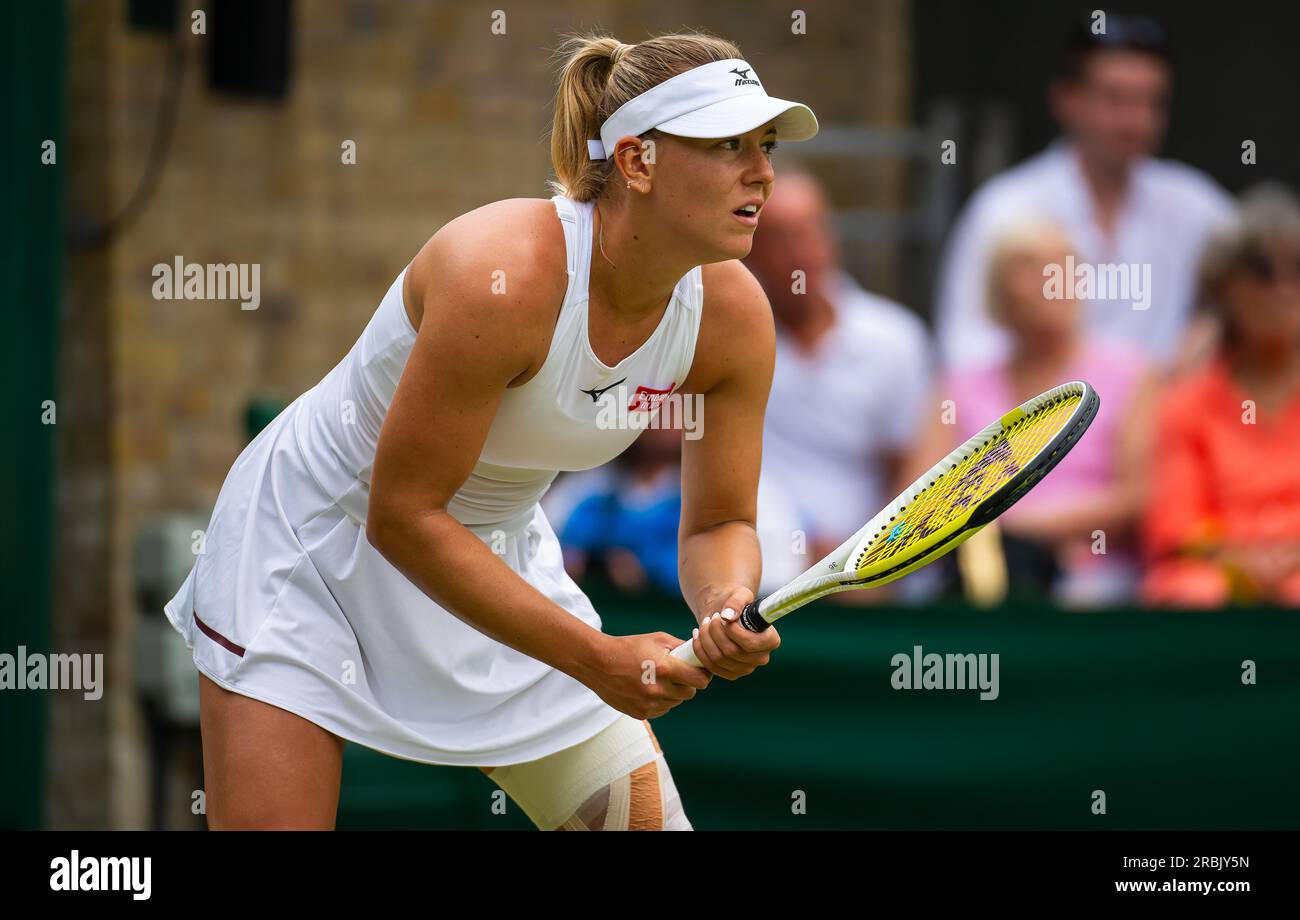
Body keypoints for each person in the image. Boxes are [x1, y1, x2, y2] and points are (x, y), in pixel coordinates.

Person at [162, 31, 819, 830]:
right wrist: (597, 657)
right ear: (639, 162)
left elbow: (719, 523)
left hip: (491, 555)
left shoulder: (735, 319)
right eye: (728, 144)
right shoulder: (500, 274)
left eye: (767, 145)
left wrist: (724, 604)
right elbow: (402, 516)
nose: (763, 172)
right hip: (306, 548)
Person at [934, 12, 1233, 374]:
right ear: (1066, 100)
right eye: (1115, 98)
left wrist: (1211, 332)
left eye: (1150, 101)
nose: (1134, 120)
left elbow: (1261, 290)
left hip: (1163, 424)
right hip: (1045, 425)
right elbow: (966, 352)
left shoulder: (1196, 206)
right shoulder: (1005, 208)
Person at [914, 219, 1156, 606]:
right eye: (1030, 269)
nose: (1050, 282)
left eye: (1061, 268)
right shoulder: (959, 386)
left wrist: (1010, 524)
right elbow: (918, 498)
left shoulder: (1131, 375)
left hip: (1095, 580)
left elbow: (1137, 498)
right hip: (978, 576)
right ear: (1000, 293)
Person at [744, 168, 932, 596]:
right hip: (754, 575)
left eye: (811, 231)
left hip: (868, 580)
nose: (800, 253)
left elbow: (910, 475)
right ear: (749, 253)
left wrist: (871, 563)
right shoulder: (723, 339)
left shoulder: (896, 340)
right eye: (780, 238)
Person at [1142, 185, 1300, 607]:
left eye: (1297, 269)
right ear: (1225, 288)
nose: (1284, 287)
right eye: (1262, 271)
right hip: (1216, 573)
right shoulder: (1187, 403)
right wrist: (1240, 561)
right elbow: (1175, 525)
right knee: (1192, 591)